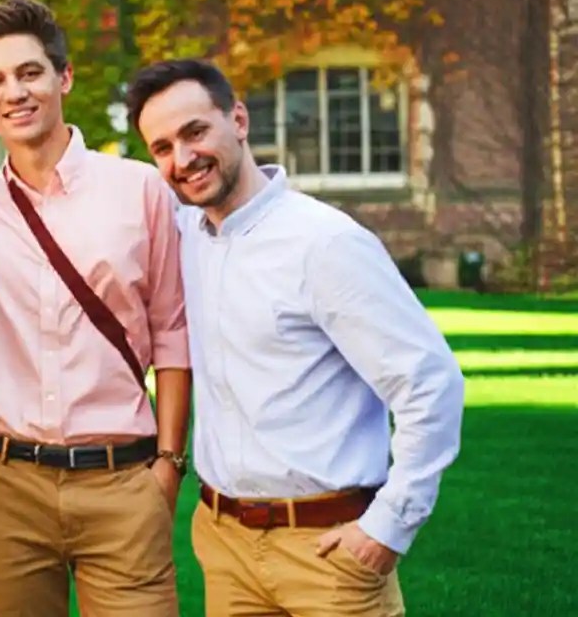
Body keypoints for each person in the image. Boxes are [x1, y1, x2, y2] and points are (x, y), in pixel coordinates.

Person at [126, 58, 466, 616]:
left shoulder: (324, 244)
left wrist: (388, 526)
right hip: (223, 542)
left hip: (326, 549)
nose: (182, 159)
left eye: (195, 132)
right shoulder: (184, 236)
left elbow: (430, 384)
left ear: (238, 119)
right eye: (162, 147)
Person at [0, 0, 191, 616]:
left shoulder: (140, 188)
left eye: (30, 73)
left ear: (64, 77)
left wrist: (168, 463)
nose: (15, 93)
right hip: (6, 486)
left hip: (123, 480)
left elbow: (172, 330)